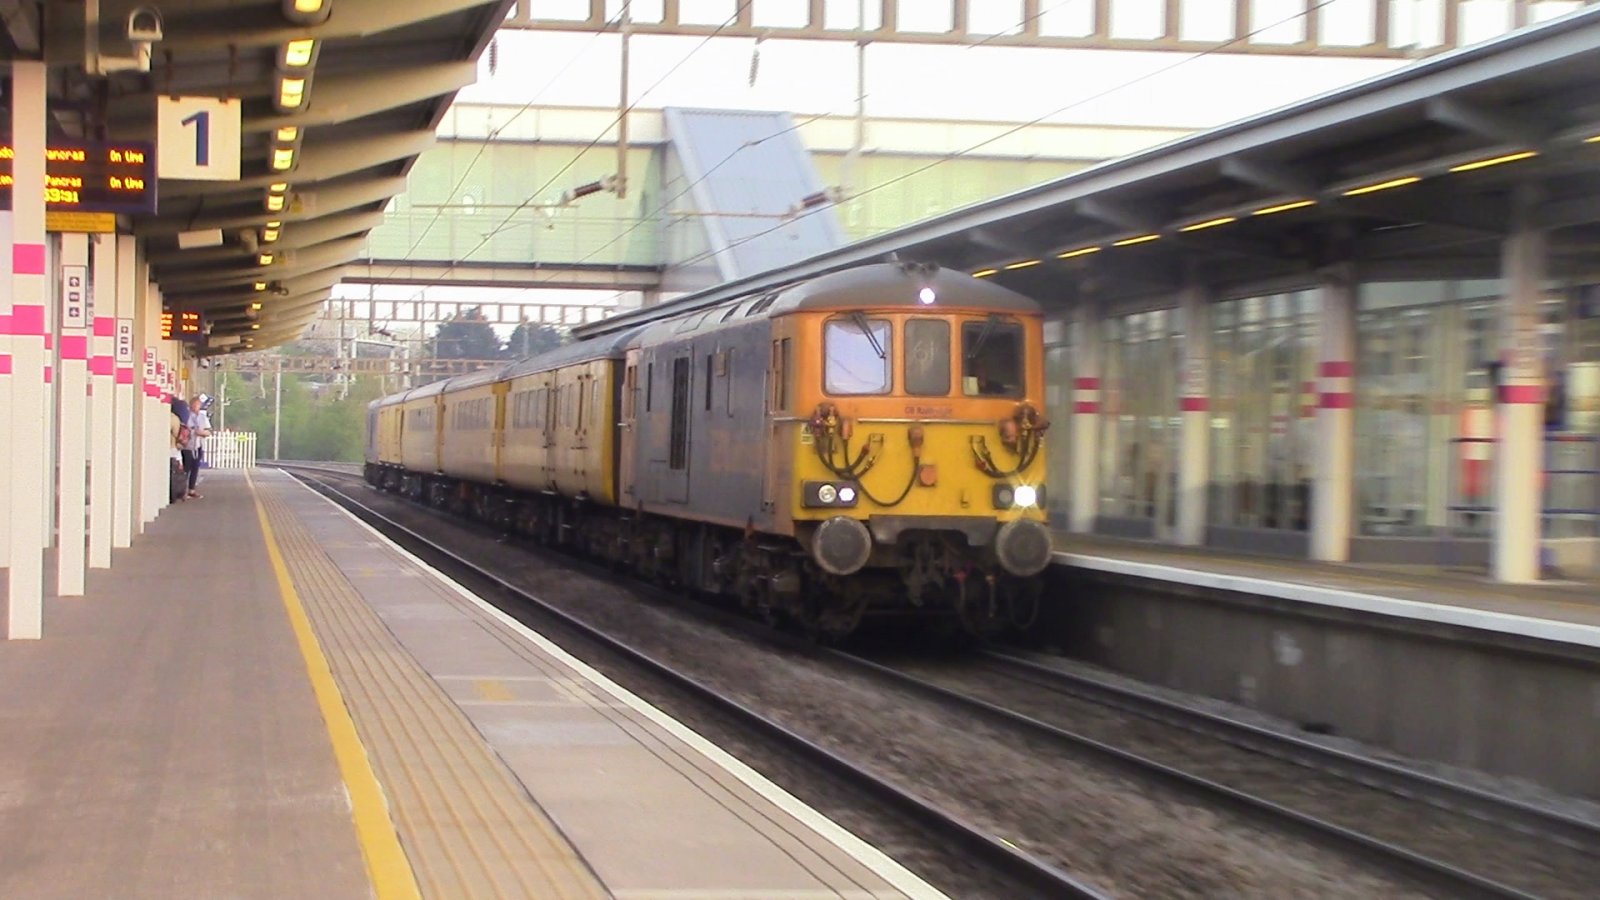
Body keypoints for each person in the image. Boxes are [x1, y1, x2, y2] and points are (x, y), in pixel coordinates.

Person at [182, 393, 213, 499]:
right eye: (194, 405)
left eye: (198, 405)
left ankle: (192, 489)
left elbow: (208, 431)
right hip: (188, 446)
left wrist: (202, 433)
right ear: (190, 405)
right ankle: (183, 490)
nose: (196, 407)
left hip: (198, 445)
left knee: (195, 468)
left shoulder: (203, 417)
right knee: (187, 468)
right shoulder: (187, 416)